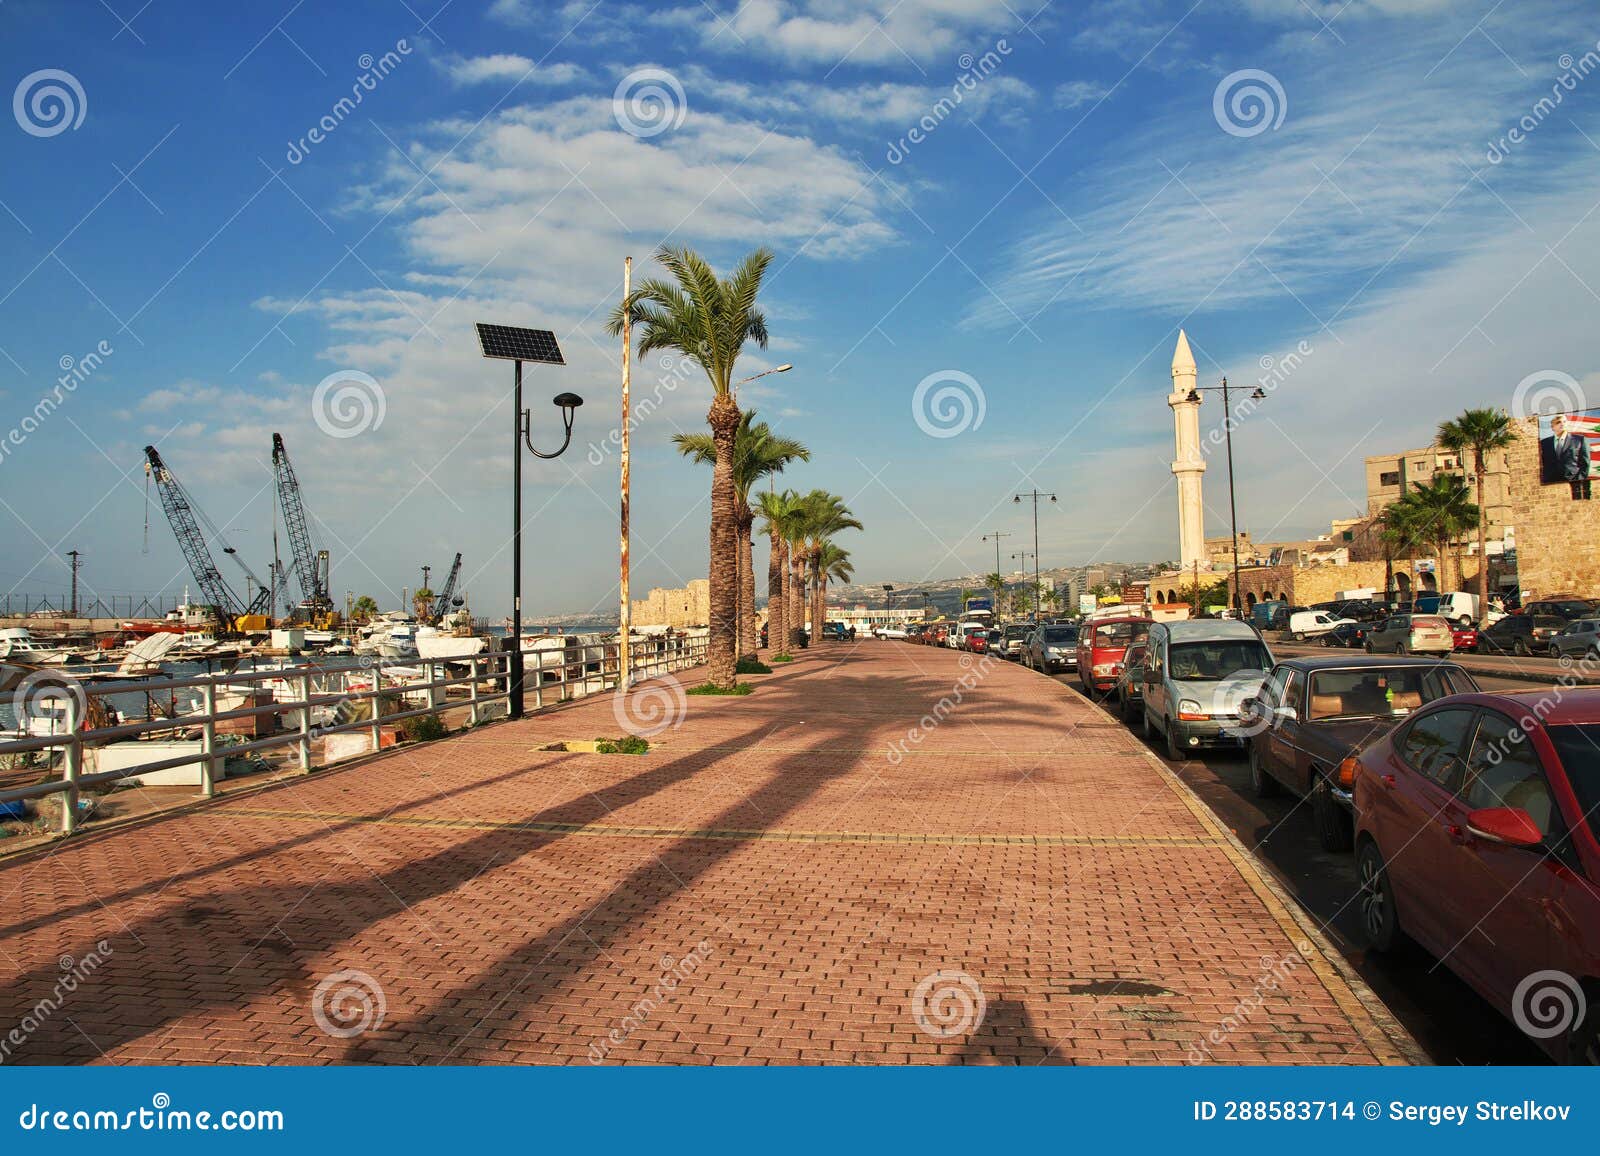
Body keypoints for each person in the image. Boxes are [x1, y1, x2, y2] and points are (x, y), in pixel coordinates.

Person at [1541, 414, 1592, 500]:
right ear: (1552, 427)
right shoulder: (1544, 443)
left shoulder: (1579, 440)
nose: (1562, 424)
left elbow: (1585, 462)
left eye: (1564, 422)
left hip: (1574, 482)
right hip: (1552, 483)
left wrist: (1578, 479)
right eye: (1558, 422)